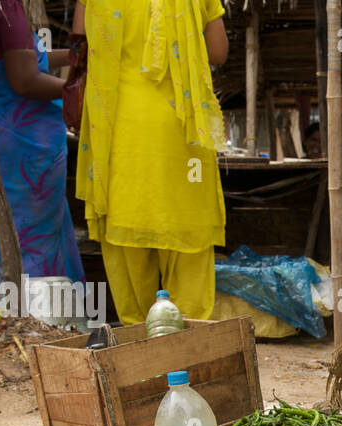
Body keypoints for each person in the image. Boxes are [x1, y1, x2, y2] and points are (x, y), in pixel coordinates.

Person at [73, 0, 228, 324]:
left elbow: (81, 41)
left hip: (120, 137)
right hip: (183, 136)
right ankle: (189, 351)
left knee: (127, 244)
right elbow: (217, 52)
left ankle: (142, 346)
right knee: (188, 242)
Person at [0, 0, 84, 305]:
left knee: (4, 234)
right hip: (24, 152)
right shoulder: (7, 8)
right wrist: (79, 91)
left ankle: (6, 314)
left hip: (0, 143)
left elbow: (28, 60)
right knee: (33, 241)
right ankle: (42, 324)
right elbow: (25, 80)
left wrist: (72, 56)